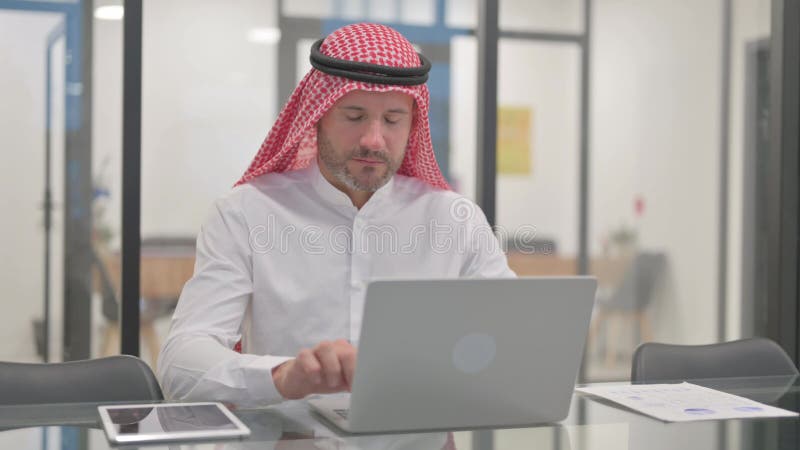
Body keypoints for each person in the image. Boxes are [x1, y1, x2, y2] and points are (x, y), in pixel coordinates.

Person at [157, 23, 515, 407]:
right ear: (319, 115)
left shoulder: (456, 219)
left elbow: (517, 335)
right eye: (354, 116)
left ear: (413, 125)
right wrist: (282, 376)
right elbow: (182, 364)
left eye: (393, 120)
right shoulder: (244, 213)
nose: (373, 140)